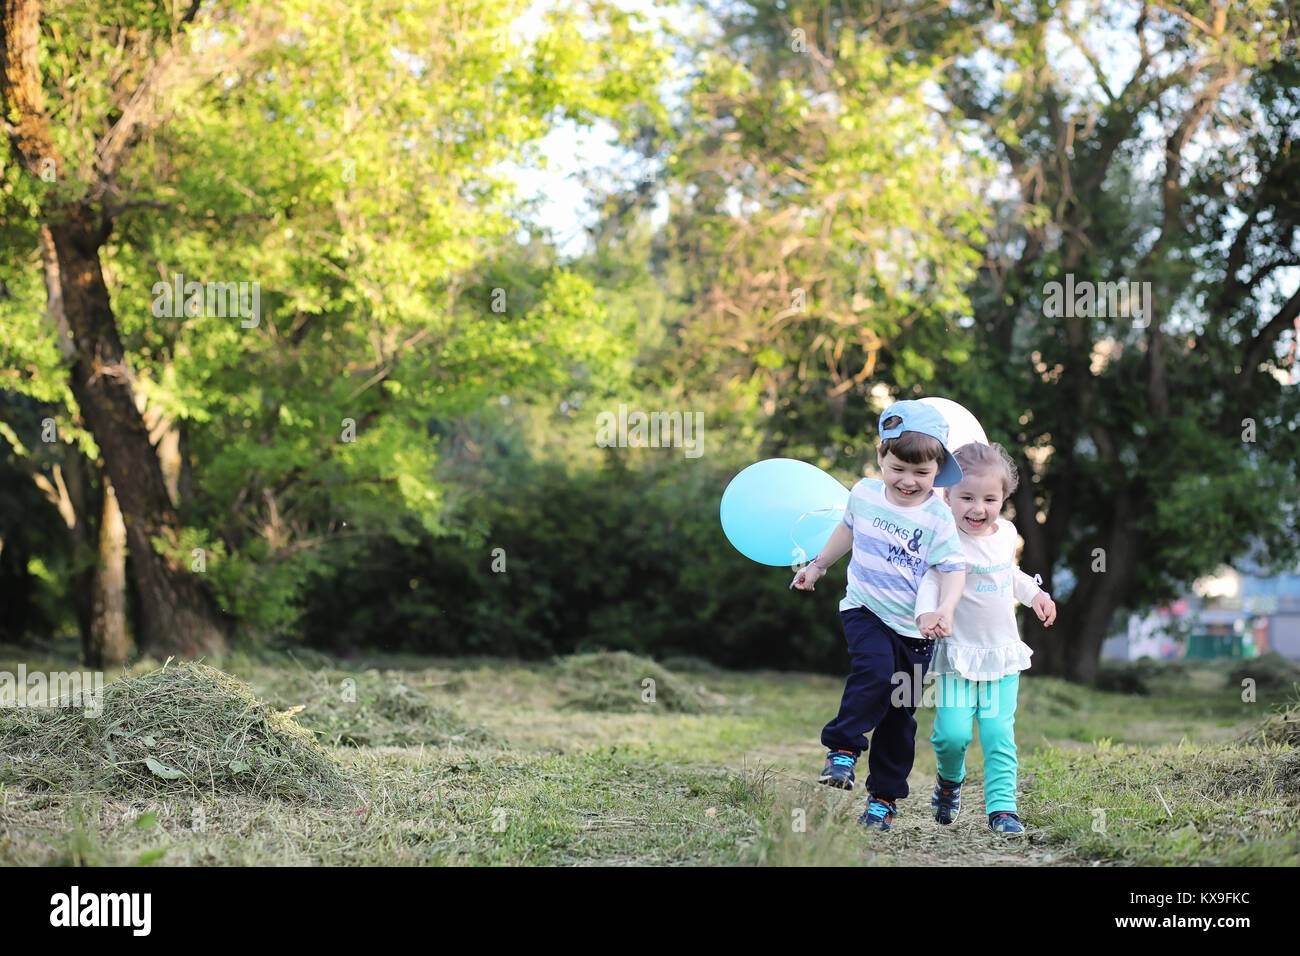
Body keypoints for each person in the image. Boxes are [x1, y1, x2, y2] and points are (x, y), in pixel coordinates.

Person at [792, 400, 966, 831]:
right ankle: (843, 750)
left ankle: (883, 799)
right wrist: (818, 566)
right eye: (898, 468)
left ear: (938, 471)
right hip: (865, 609)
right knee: (874, 669)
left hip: (916, 631)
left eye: (921, 473)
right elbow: (846, 531)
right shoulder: (864, 494)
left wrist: (945, 609)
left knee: (898, 716)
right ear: (881, 457)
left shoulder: (939, 517)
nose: (908, 481)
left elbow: (953, 570)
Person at [914, 441, 1057, 834]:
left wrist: (1037, 596)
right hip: (958, 657)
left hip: (1000, 656)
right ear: (947, 496)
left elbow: (1009, 574)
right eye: (967, 497)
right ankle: (949, 780)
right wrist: (927, 612)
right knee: (951, 736)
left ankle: (1002, 809)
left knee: (998, 734)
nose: (978, 508)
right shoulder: (943, 537)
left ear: (1004, 498)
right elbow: (931, 579)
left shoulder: (1006, 533)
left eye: (989, 498)